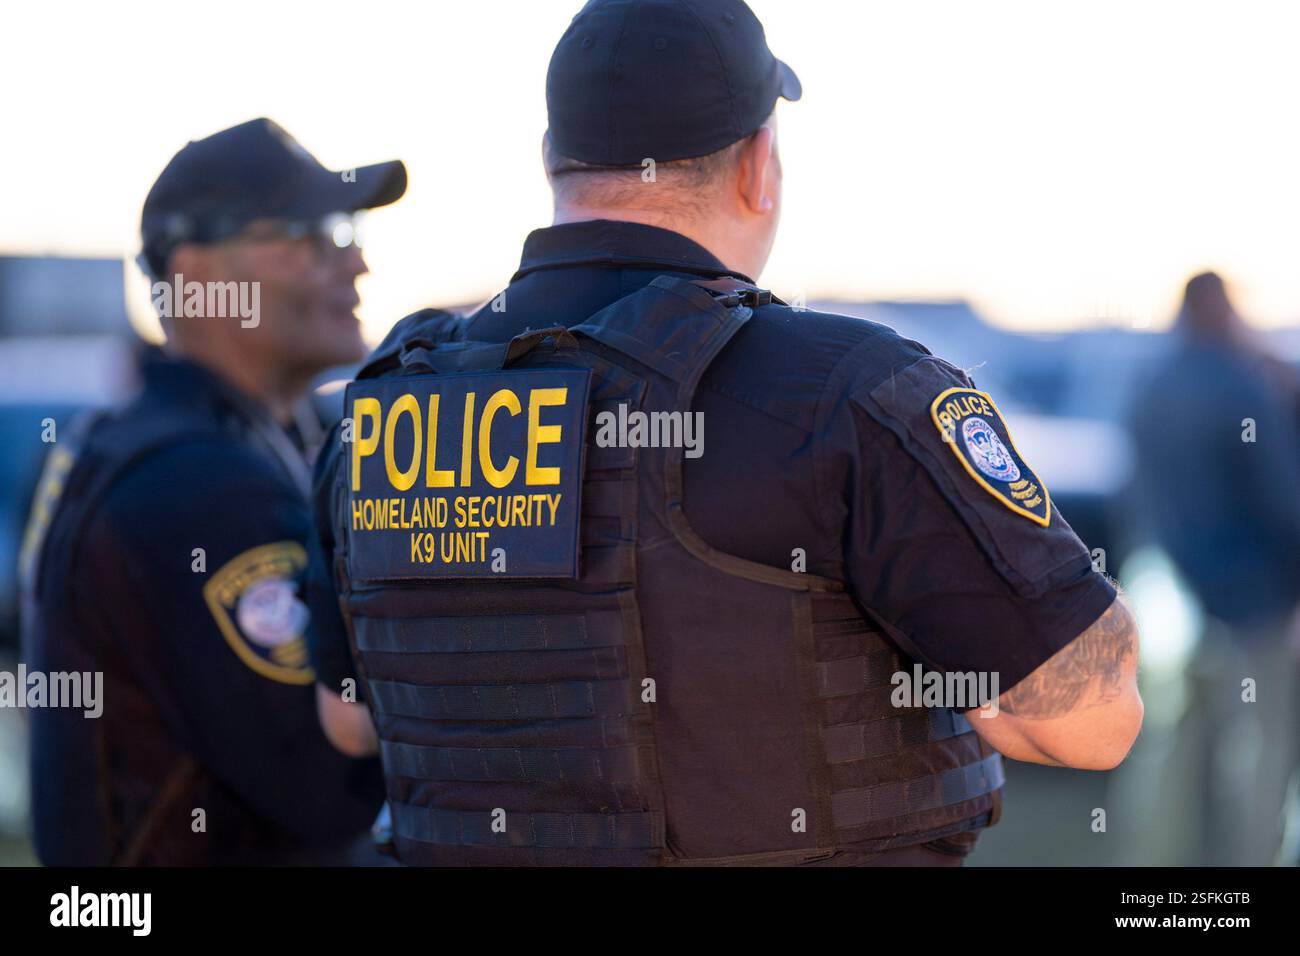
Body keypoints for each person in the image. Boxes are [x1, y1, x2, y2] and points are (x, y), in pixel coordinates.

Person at [311, 0, 1143, 867]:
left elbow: (349, 717)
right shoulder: (842, 392)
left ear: (552, 161)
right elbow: (1090, 718)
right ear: (759, 164)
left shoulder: (385, 407)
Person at [18, 118, 402, 865]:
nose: (354, 259)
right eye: (310, 234)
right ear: (198, 278)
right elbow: (329, 786)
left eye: (347, 228)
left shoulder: (178, 436)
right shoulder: (197, 483)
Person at [1129, 271, 1300, 864]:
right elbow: (1282, 500)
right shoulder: (1243, 387)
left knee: (1166, 742)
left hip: (1165, 592)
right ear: (1225, 311)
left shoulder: (1151, 386)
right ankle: (1250, 868)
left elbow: (1138, 492)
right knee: (1257, 745)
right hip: (1253, 597)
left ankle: (1153, 868)